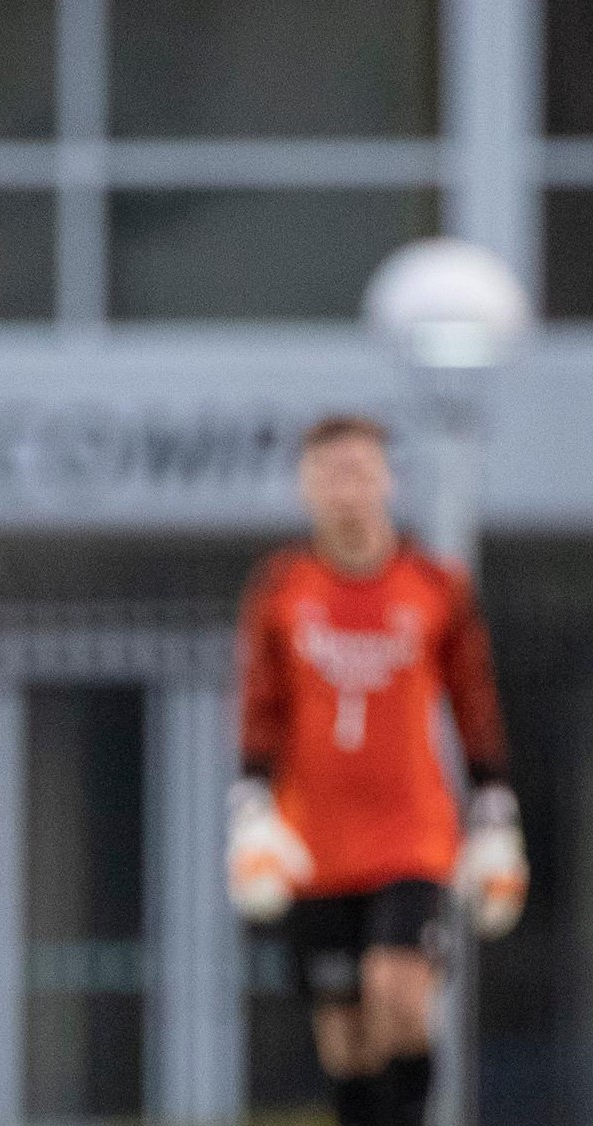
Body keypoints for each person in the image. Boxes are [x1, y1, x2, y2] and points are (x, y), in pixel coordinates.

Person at [228, 415, 529, 1126]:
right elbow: (260, 703)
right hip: (316, 841)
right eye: (330, 473)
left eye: (360, 471)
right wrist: (251, 808)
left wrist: (494, 810)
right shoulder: (283, 588)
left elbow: (473, 697)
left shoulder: (435, 585)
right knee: (346, 1038)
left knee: (397, 993)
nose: (347, 489)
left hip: (412, 836)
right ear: (306, 487)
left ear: (387, 480)